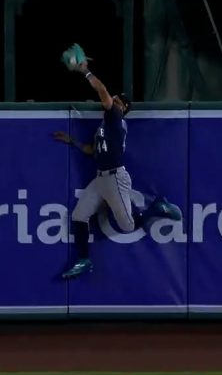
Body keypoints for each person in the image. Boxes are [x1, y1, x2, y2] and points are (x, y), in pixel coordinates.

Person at [53, 43, 182, 279]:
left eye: (117, 100)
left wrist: (85, 70)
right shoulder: (107, 125)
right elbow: (93, 150)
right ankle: (83, 260)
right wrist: (72, 141)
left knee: (128, 226)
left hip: (115, 178)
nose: (112, 99)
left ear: (123, 107)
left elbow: (102, 91)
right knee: (79, 216)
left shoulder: (115, 116)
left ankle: (156, 207)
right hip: (101, 179)